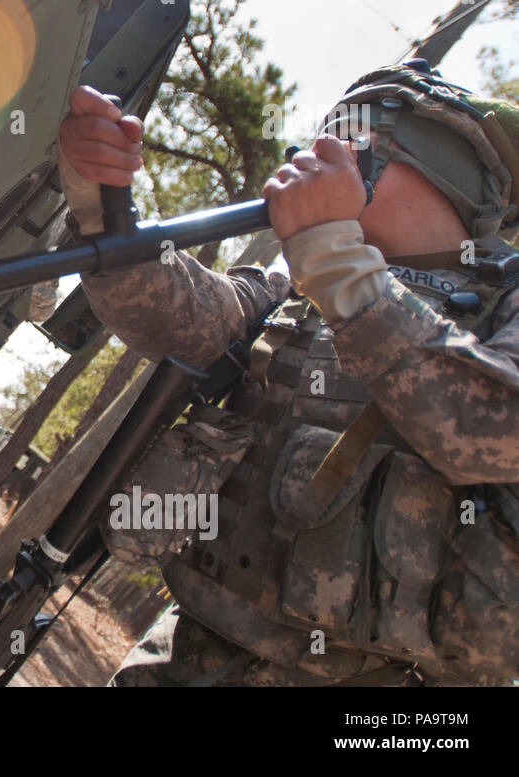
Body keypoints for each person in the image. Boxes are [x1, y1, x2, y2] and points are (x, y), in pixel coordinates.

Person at [55, 62, 519, 685]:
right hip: (193, 651)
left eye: (350, 142)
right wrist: (99, 200)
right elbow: (179, 318)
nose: (311, 158)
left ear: (443, 172)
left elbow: (489, 430)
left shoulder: (498, 307)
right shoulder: (305, 283)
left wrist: (339, 261)